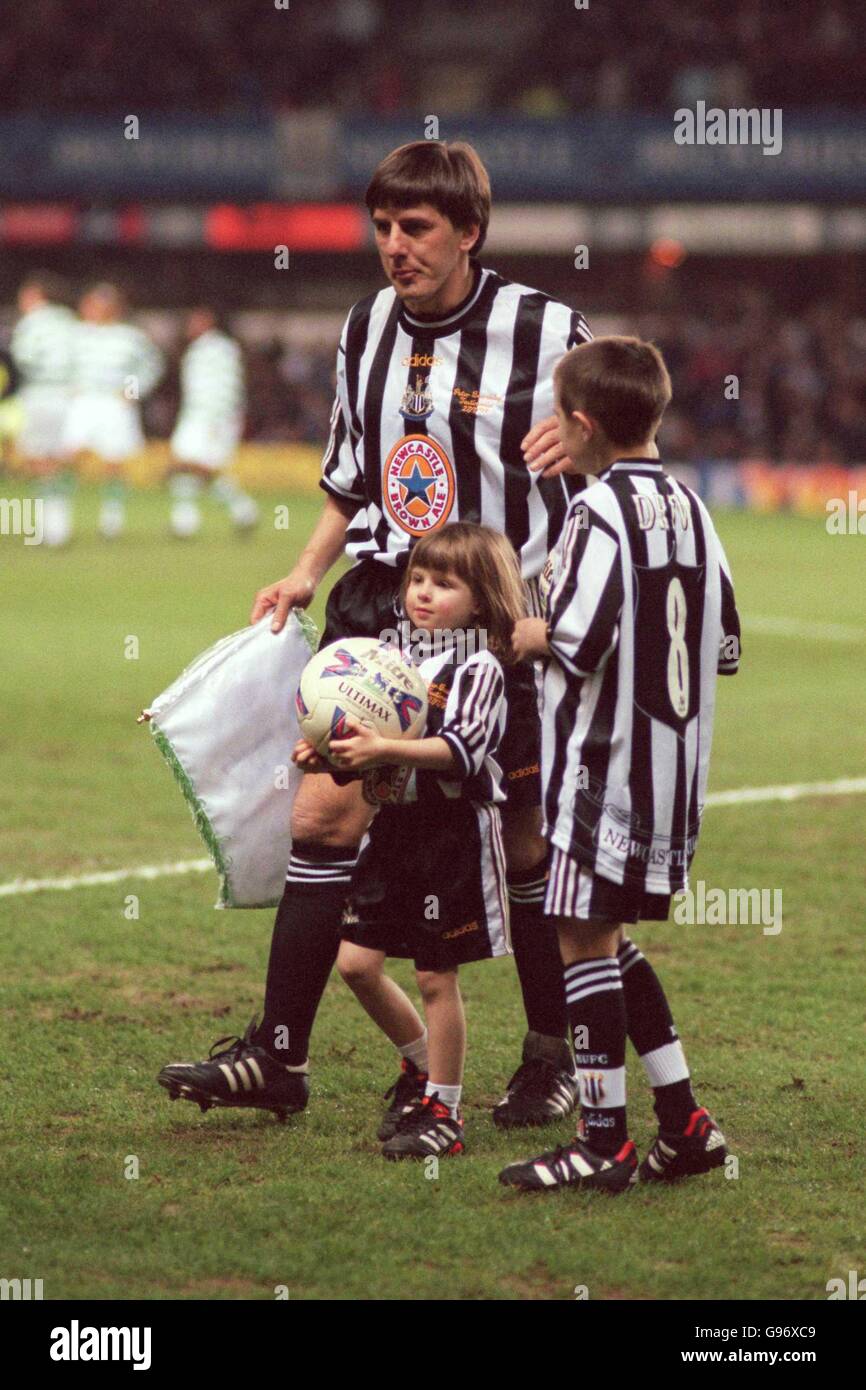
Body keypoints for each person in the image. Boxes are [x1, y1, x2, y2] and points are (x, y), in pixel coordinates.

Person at [157, 140, 592, 1130]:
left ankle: (547, 1055)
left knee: (521, 842)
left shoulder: (545, 327)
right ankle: (278, 1055)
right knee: (320, 818)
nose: (394, 247)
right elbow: (349, 476)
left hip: (494, 619)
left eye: (416, 229)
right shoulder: (365, 327)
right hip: (375, 608)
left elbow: (624, 439)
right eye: (382, 228)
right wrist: (306, 569)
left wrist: (590, 431)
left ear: (469, 232)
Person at [498, 336, 741, 1195]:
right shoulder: (694, 506)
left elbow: (576, 638)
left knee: (579, 939)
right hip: (672, 773)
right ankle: (685, 1123)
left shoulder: (597, 512)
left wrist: (525, 629)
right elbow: (725, 645)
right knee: (606, 937)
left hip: (600, 771)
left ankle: (603, 1139)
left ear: (582, 423)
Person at [291, 523, 523, 1158]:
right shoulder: (397, 666)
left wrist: (383, 746)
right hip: (392, 828)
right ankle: (421, 1066)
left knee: (434, 974)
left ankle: (444, 1112)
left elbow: (463, 752)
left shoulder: (480, 667)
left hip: (450, 836)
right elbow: (377, 762)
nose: (422, 593)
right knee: (357, 964)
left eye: (443, 585)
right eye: (417, 578)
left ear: (482, 599)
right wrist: (330, 759)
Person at [62, 283, 164, 539]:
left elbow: (151, 367)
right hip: (83, 402)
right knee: (68, 457)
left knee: (114, 463)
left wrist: (130, 392)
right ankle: (58, 519)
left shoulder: (130, 337)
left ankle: (111, 521)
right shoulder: (76, 334)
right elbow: (62, 365)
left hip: (114, 404)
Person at [167, 307, 258, 538]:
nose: (190, 327)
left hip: (213, 417)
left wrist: (220, 418)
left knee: (199, 466)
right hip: (195, 415)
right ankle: (189, 520)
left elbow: (228, 386)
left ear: (208, 322)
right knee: (185, 464)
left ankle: (240, 509)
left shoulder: (220, 349)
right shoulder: (197, 349)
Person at [10, 274, 76, 546]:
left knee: (39, 459)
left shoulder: (31, 323)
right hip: (69, 397)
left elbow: (21, 359)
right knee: (59, 458)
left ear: (36, 295)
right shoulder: (71, 322)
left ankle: (48, 524)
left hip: (39, 394)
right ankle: (59, 519)